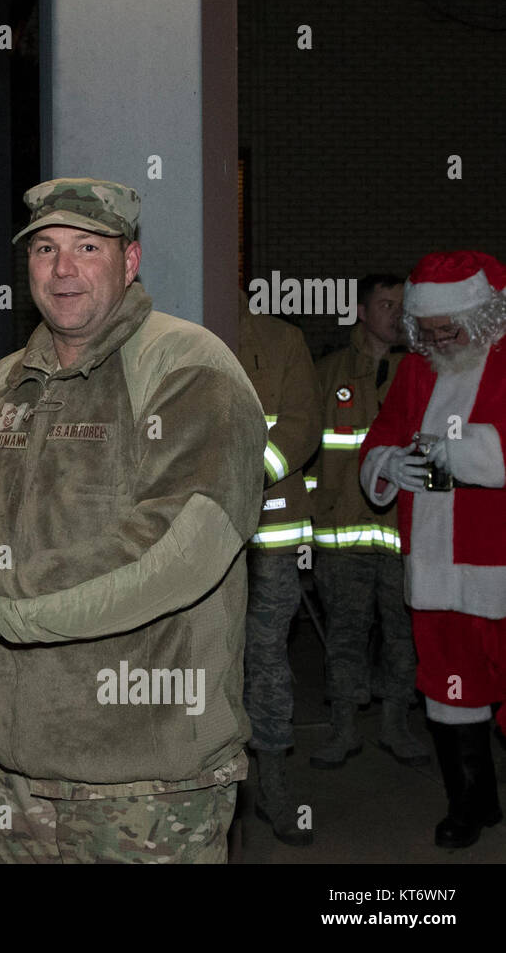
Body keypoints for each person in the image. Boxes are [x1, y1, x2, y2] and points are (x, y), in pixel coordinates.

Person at [0, 178, 266, 863]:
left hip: (147, 784)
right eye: (45, 248)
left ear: (130, 261)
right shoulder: (8, 383)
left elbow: (173, 554)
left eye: (87, 247)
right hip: (16, 778)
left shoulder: (190, 369)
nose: (63, 268)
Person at [359, 250, 506, 849]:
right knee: (450, 688)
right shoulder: (416, 373)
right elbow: (380, 437)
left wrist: (461, 449)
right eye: (431, 331)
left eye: (451, 330)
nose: (441, 341)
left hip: (497, 561)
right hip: (434, 565)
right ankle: (470, 803)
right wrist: (389, 463)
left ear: (482, 317)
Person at [310, 275, 427, 771]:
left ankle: (396, 725)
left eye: (403, 305)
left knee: (404, 634)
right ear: (361, 311)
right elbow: (310, 453)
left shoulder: (421, 372)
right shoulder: (328, 372)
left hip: (405, 534)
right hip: (342, 534)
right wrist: (314, 513)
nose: (396, 314)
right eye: (385, 304)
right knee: (344, 634)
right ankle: (343, 729)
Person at [235, 292, 322, 846]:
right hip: (191, 538)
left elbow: (302, 424)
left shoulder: (280, 339)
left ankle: (273, 787)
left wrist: (245, 476)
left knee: (265, 664)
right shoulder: (172, 330)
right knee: (194, 662)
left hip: (269, 537)